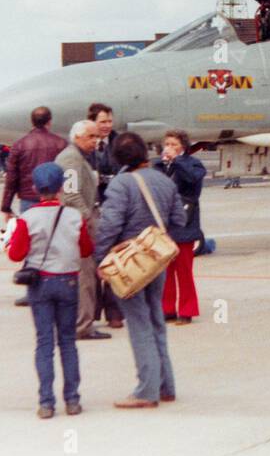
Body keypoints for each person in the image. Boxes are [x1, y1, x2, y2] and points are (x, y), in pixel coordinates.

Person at [93, 131, 187, 408]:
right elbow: (179, 219)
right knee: (156, 317)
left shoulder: (120, 184)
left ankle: (147, 390)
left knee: (138, 322)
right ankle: (165, 385)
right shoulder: (163, 180)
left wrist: (101, 258)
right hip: (156, 259)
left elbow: (110, 224)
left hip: (130, 263)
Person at [7, 162, 92, 418]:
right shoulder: (74, 216)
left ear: (35, 188)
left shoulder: (27, 218)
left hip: (40, 283)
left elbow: (16, 254)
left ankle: (46, 402)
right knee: (67, 341)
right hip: (68, 280)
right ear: (61, 188)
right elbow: (86, 249)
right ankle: (72, 399)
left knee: (44, 342)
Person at [2, 106, 69, 307]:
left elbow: (11, 177)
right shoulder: (60, 143)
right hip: (55, 198)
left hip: (29, 200)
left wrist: (6, 206)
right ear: (49, 121)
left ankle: (33, 291)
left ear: (32, 122)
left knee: (30, 244)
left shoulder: (20, 145)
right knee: (57, 242)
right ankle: (59, 287)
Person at [55, 120, 109, 340]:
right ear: (77, 137)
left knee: (86, 275)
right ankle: (83, 325)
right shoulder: (71, 159)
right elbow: (70, 194)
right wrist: (88, 216)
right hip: (79, 224)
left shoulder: (79, 157)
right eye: (91, 137)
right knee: (85, 276)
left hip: (78, 221)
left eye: (97, 137)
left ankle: (82, 321)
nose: (95, 141)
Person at [156, 129, 206, 323]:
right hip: (164, 224)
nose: (168, 148)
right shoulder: (159, 165)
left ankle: (187, 309)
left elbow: (192, 180)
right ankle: (167, 308)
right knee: (165, 271)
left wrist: (176, 161)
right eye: (167, 144)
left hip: (185, 222)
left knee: (184, 271)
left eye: (173, 145)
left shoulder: (193, 164)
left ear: (183, 148)